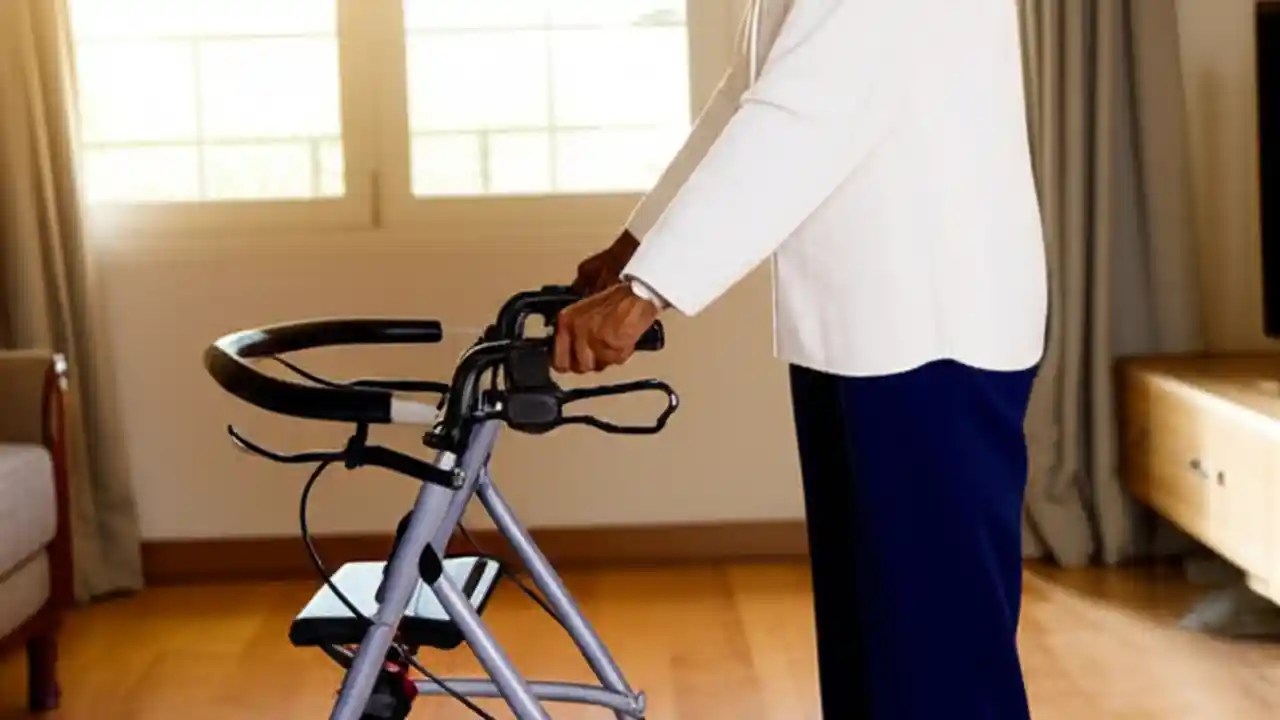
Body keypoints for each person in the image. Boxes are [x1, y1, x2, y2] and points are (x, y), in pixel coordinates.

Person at [553, 0, 1047, 718]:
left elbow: (807, 109)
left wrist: (649, 292)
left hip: (929, 327)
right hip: (860, 326)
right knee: (869, 648)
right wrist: (637, 244)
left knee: (937, 657)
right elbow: (749, 95)